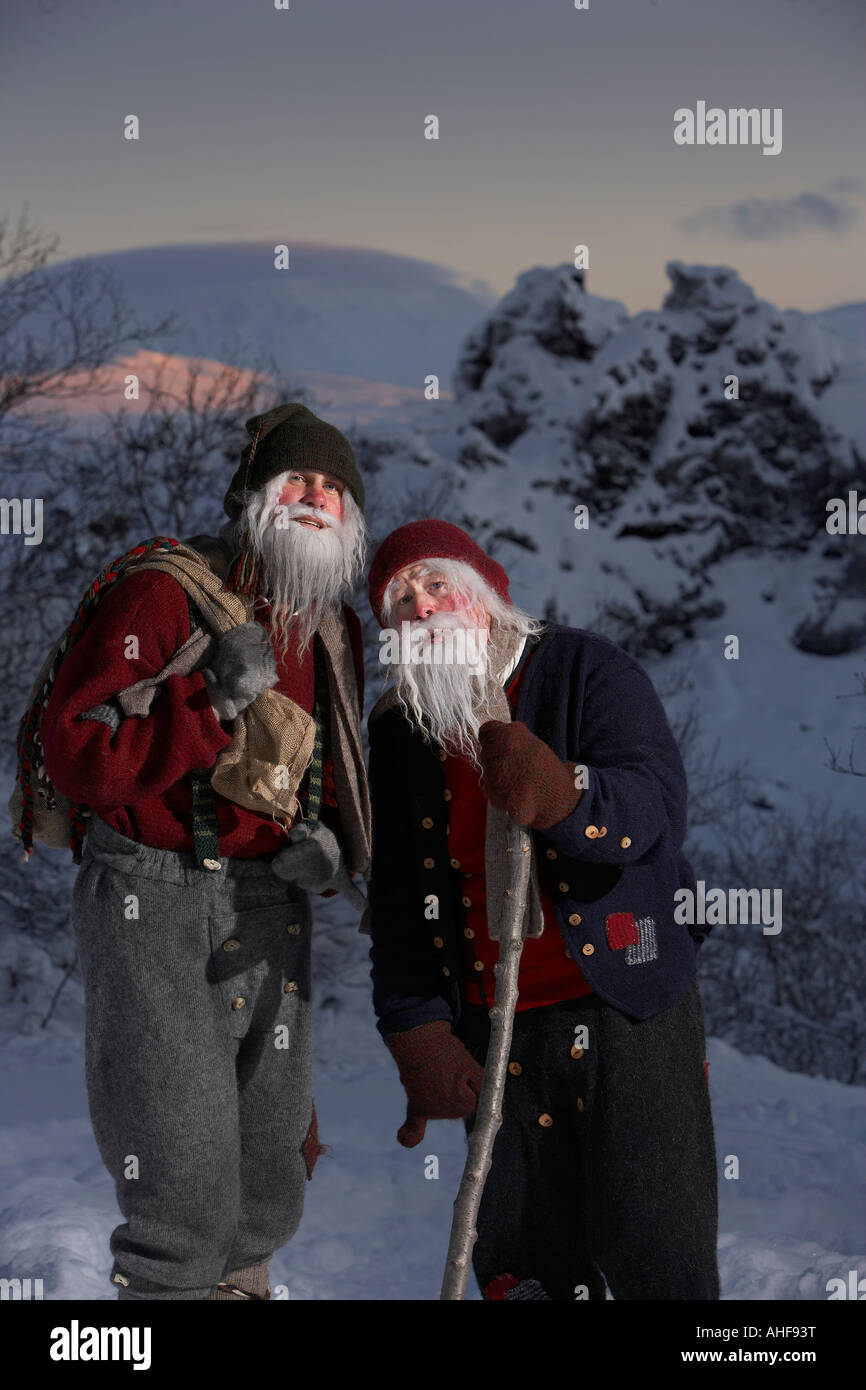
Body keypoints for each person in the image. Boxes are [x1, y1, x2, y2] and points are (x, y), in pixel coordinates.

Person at [40, 402, 371, 1300]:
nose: (315, 498)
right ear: (255, 495)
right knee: (178, 1165)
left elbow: (332, 771)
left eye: (334, 488)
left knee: (269, 1158)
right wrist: (207, 707)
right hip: (153, 890)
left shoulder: (331, 626)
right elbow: (76, 753)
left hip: (271, 906)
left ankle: (242, 1289)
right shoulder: (165, 592)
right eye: (297, 480)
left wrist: (332, 849)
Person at [364, 519, 719, 1301]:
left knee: (659, 1250)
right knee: (524, 1263)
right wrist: (415, 1026)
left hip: (627, 1005)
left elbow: (656, 809)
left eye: (434, 582)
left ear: (485, 596)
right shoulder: (399, 731)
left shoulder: (585, 668)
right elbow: (399, 900)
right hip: (496, 1031)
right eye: (398, 600)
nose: (421, 607)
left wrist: (568, 794)